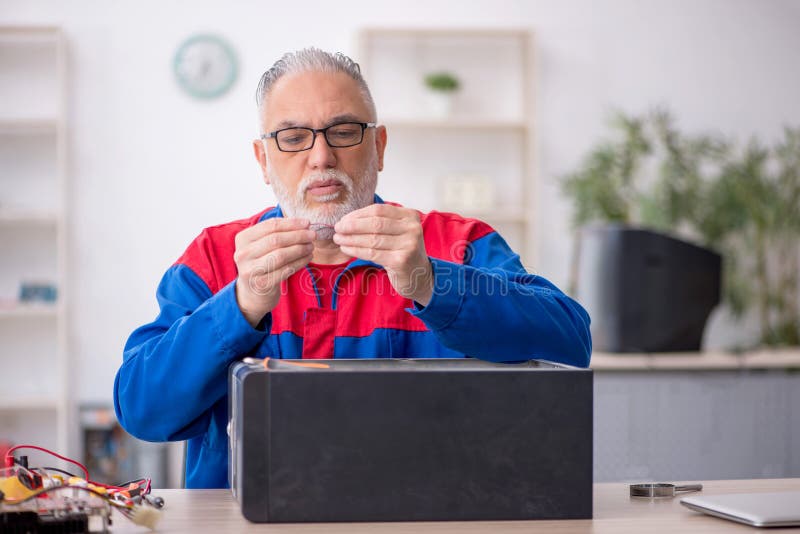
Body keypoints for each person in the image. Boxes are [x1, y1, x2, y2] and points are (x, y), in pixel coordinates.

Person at [114, 48, 591, 489]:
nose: (321, 157)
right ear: (264, 160)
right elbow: (142, 410)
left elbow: (571, 341)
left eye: (343, 132)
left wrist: (432, 282)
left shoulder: (457, 245)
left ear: (379, 147)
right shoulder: (218, 258)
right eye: (293, 137)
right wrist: (239, 306)